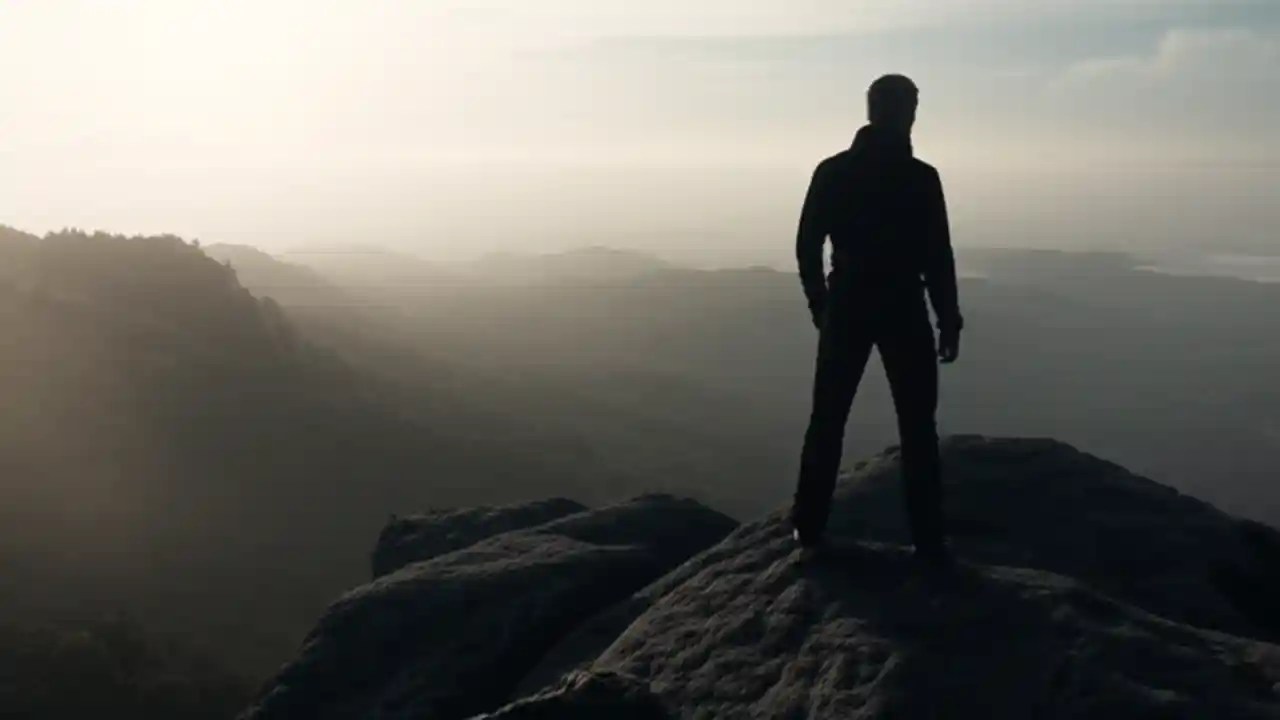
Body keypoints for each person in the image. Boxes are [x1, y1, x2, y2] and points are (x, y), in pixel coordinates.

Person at [790, 74, 963, 566]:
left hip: (848, 304)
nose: (912, 113)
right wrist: (947, 318)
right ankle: (928, 539)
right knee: (917, 426)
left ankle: (809, 525)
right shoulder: (920, 177)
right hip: (902, 305)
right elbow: (937, 254)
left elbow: (807, 244)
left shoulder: (835, 171)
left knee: (829, 418)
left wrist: (820, 302)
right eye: (909, 105)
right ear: (900, 111)